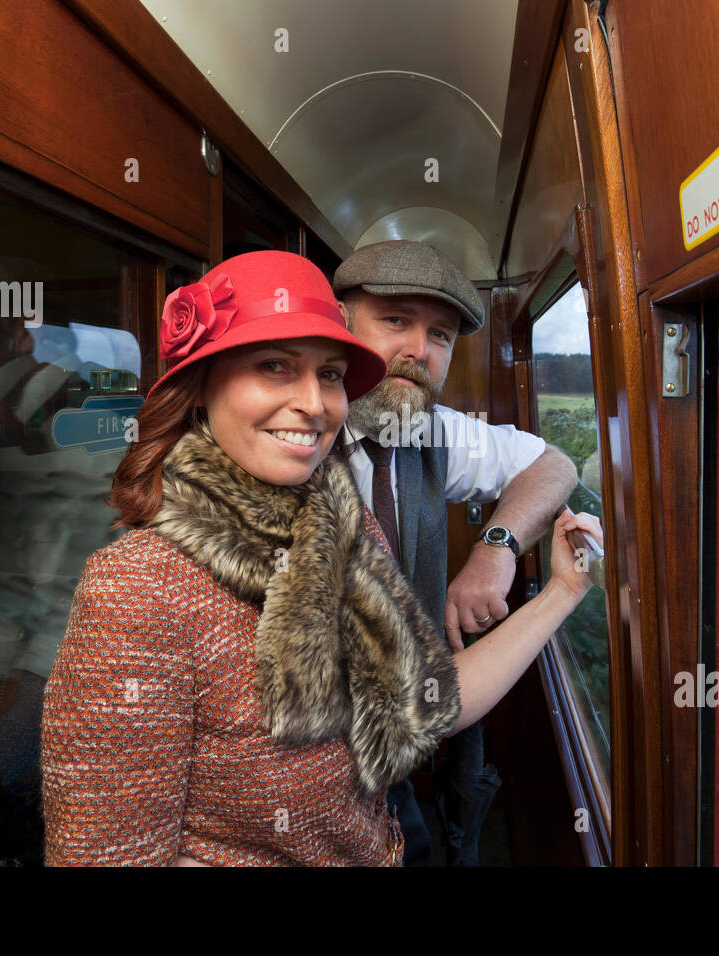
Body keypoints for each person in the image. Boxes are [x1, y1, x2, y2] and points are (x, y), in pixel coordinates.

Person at [40, 250, 601, 865]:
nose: (313, 403)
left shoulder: (346, 525)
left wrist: (559, 593)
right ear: (201, 385)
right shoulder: (137, 590)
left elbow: (428, 701)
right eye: (274, 366)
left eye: (329, 374)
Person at [332, 240, 578, 865]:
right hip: (308, 768)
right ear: (340, 322)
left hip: (401, 746)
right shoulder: (294, 439)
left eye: (439, 334)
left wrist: (496, 548)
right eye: (395, 321)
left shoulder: (432, 432)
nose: (418, 350)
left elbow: (555, 466)